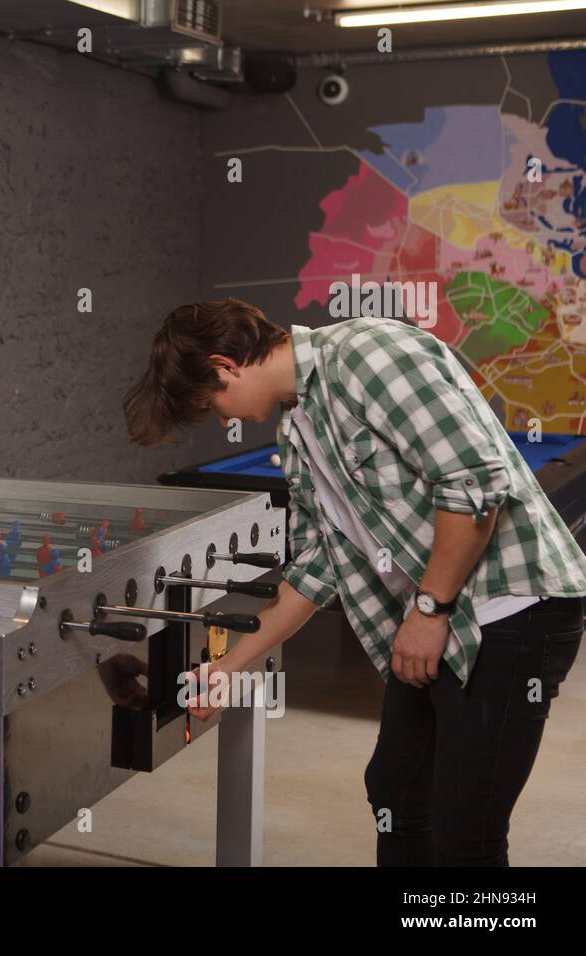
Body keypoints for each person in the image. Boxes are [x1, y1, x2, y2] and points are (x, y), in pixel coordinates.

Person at [123, 298, 586, 866]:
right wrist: (227, 667)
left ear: (225, 365)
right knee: (395, 790)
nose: (223, 419)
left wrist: (429, 609)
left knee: (467, 830)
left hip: (509, 615)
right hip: (440, 618)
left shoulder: (368, 353)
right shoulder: (298, 432)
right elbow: (319, 567)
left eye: (212, 403)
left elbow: (472, 485)